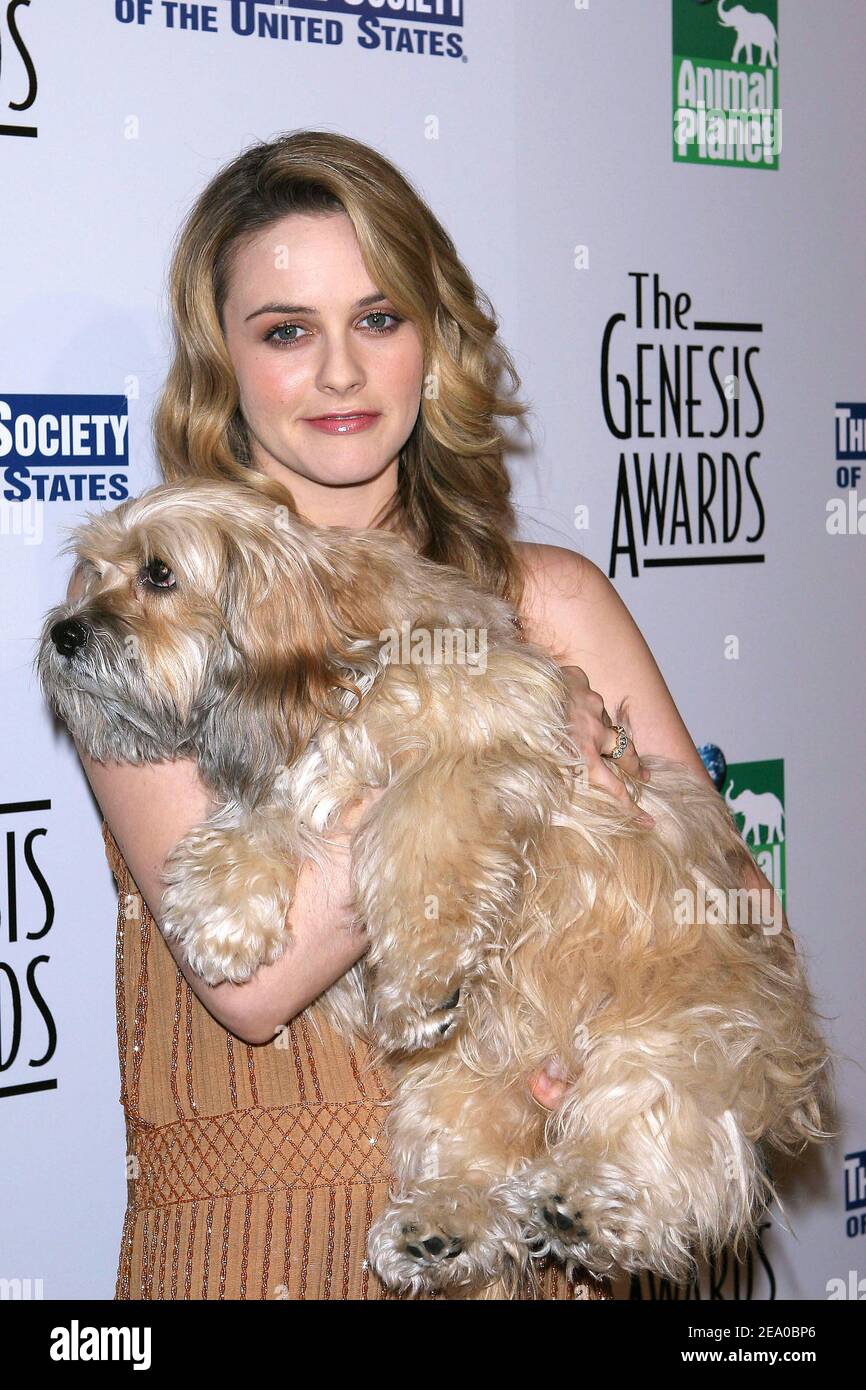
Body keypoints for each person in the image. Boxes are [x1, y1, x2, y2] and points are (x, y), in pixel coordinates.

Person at [69, 129, 781, 1301]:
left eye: (379, 318)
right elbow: (252, 978)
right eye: (287, 331)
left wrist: (599, 1046)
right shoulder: (137, 609)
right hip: (259, 1252)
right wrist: (490, 752)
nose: (341, 373)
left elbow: (743, 922)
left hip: (528, 1225)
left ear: (433, 345)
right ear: (223, 366)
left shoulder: (548, 603)